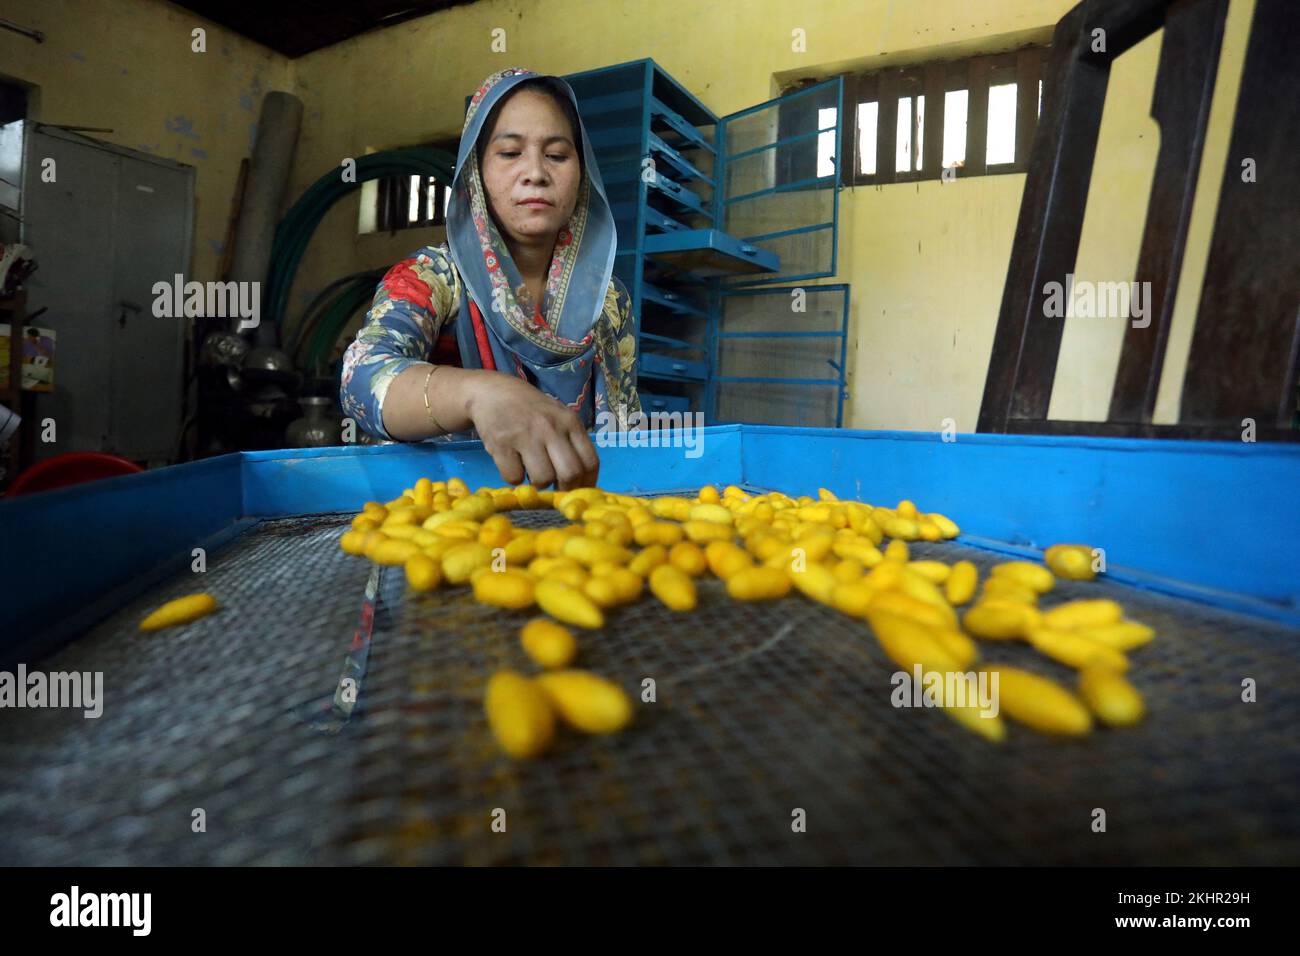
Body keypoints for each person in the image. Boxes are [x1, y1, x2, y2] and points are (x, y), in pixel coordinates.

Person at [340, 67, 642, 490]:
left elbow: (629, 422)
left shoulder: (607, 300)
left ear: (582, 174)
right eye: (509, 153)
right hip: (451, 519)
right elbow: (362, 378)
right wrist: (480, 394)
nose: (535, 172)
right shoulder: (433, 279)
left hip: (571, 525)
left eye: (556, 155)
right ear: (475, 172)